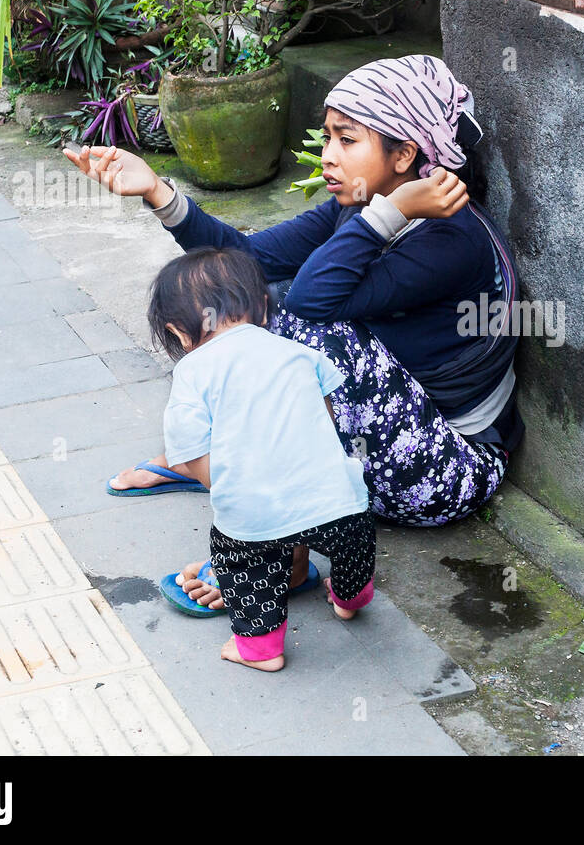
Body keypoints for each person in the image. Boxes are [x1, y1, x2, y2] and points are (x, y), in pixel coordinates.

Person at [64, 54, 523, 614]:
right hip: (383, 438)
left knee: (297, 326)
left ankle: (279, 551)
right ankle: (212, 460)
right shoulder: (358, 205)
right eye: (327, 137)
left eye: (347, 141)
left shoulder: (449, 239)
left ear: (405, 155)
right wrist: (160, 193)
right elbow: (249, 259)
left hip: (445, 468)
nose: (327, 156)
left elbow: (309, 305)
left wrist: (393, 211)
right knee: (225, 292)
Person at [149, 245, 375, 670]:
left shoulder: (192, 372)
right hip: (335, 497)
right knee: (353, 545)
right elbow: (326, 419)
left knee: (246, 567)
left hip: (253, 514)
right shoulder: (297, 352)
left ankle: (260, 650)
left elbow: (189, 453)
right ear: (264, 308)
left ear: (179, 333)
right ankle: (350, 598)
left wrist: (233, 486)